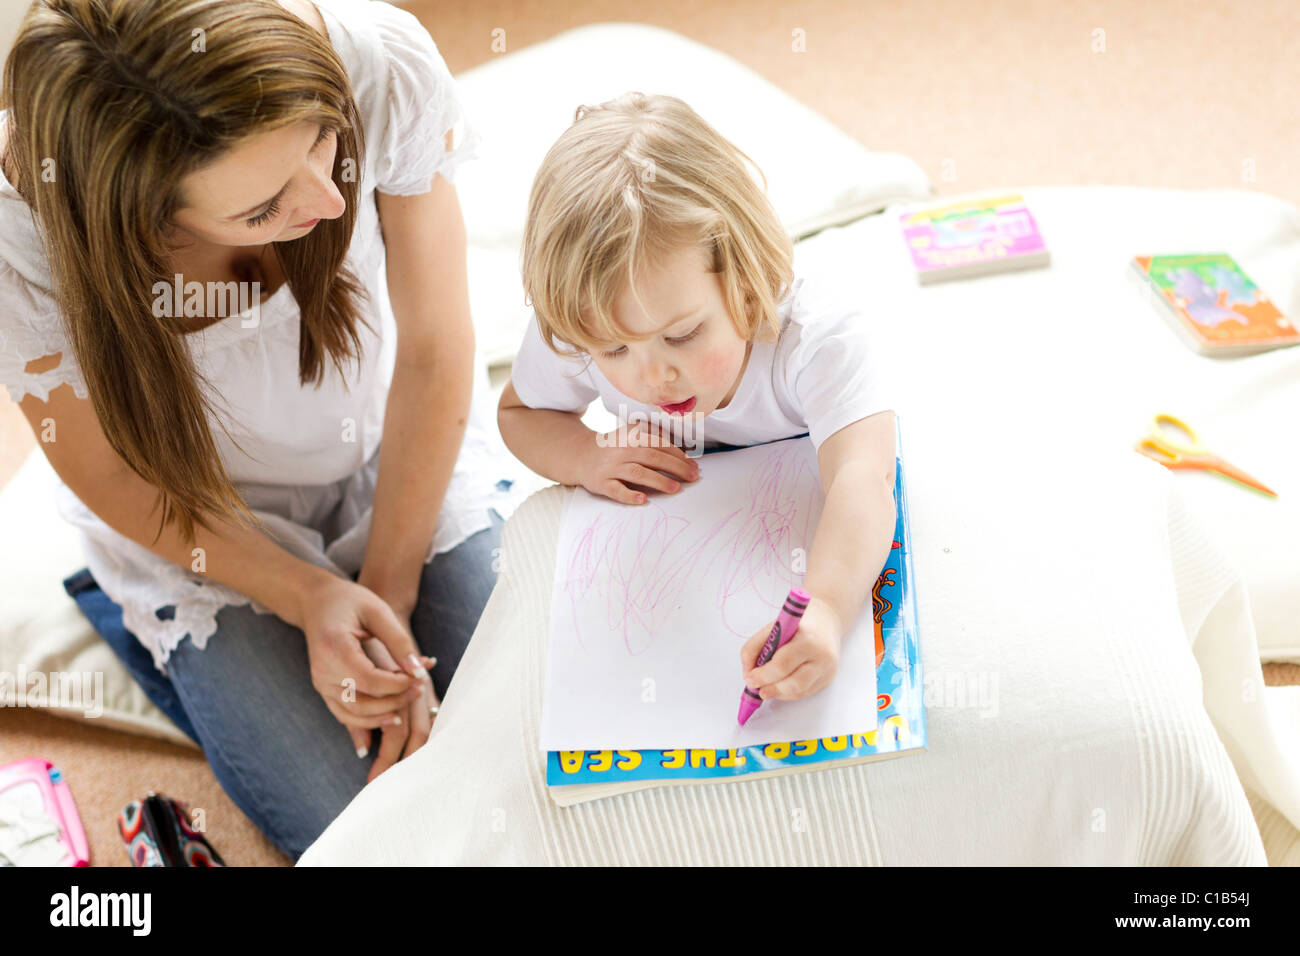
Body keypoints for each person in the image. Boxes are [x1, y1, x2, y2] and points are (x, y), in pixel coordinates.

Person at [0, 0, 517, 861]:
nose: (329, 195)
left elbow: (433, 352)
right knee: (375, 837)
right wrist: (307, 597)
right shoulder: (21, 234)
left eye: (321, 138)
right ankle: (165, 646)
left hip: (390, 451)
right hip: (201, 531)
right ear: (144, 220)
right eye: (264, 206)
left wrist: (384, 593)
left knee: (541, 721)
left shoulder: (374, 59)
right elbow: (110, 473)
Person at [497, 92, 897, 707]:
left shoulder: (817, 336)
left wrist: (826, 610)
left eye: (682, 335)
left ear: (743, 274)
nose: (653, 376)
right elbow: (520, 413)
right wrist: (585, 456)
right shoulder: (586, 323)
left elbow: (862, 479)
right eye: (613, 352)